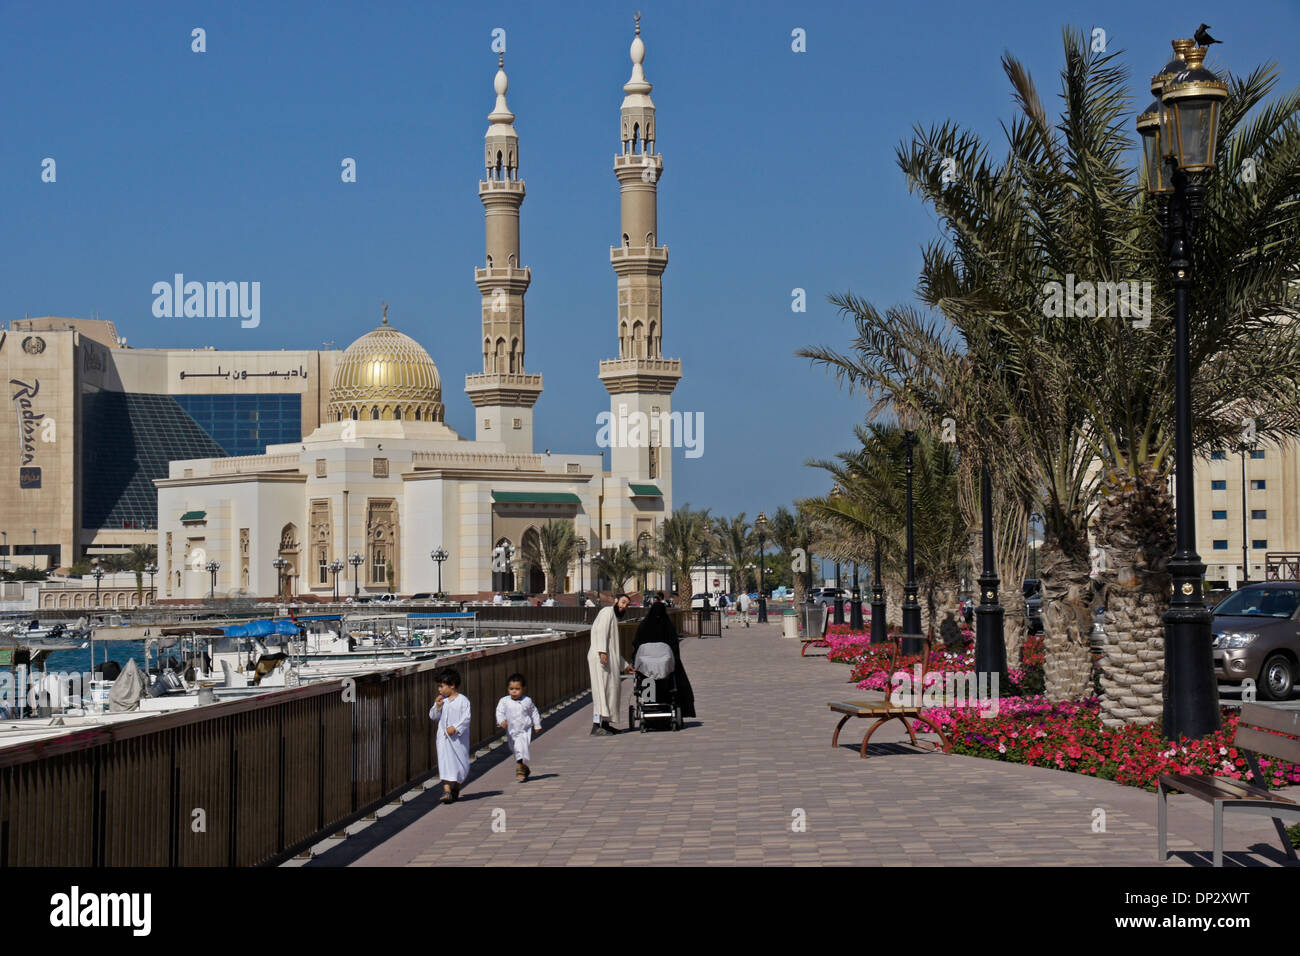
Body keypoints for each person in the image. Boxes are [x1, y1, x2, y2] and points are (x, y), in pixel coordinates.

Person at [632, 601, 696, 719]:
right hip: (665, 669)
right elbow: (674, 646)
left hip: (646, 670)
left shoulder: (644, 625)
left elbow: (636, 645)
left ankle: (649, 704)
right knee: (677, 678)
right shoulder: (667, 625)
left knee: (646, 680)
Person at [588, 593, 633, 735]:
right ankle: (596, 726)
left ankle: (605, 724)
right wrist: (602, 651)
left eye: (627, 604)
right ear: (616, 601)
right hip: (600, 658)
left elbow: (613, 648)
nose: (624, 606)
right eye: (623, 602)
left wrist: (625, 665)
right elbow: (600, 631)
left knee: (610, 691)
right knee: (601, 691)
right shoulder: (607, 612)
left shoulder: (613, 617)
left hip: (607, 659)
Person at [428, 667, 471, 803]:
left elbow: (466, 718)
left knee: (460, 763)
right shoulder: (442, 701)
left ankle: (456, 788)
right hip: (444, 739)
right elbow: (433, 716)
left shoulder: (463, 701)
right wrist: (437, 706)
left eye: (441, 686)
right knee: (445, 761)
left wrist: (456, 728)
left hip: (459, 739)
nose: (439, 690)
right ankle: (446, 790)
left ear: (452, 685)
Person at [496, 672, 543, 781]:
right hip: (511, 731)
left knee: (521, 748)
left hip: (524, 730)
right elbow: (499, 712)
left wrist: (537, 724)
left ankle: (520, 769)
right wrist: (501, 721)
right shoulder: (504, 701)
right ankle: (524, 768)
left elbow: (534, 712)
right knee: (515, 749)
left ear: (523, 689)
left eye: (517, 689)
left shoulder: (527, 701)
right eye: (511, 688)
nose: (514, 691)